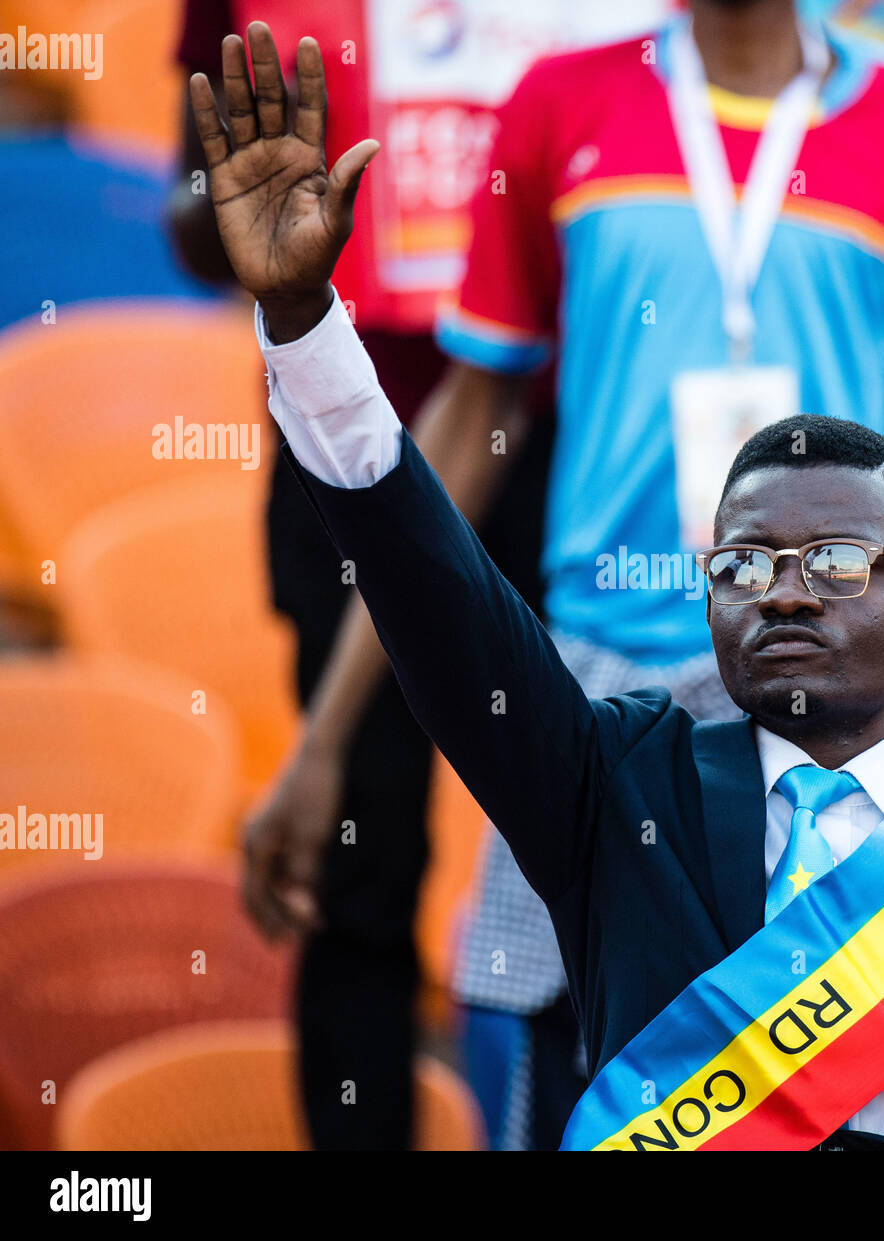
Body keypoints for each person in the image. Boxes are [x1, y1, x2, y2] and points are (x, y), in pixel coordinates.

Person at [190, 26, 884, 1149]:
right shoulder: (613, 795)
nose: (786, 592)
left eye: (836, 566)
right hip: (605, 664)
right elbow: (438, 561)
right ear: (713, 588)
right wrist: (308, 329)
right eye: (743, 565)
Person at [168, 3, 555, 1150]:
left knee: (600, 856)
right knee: (358, 864)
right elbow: (194, 221)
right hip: (335, 443)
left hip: (567, 446)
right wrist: (239, 206)